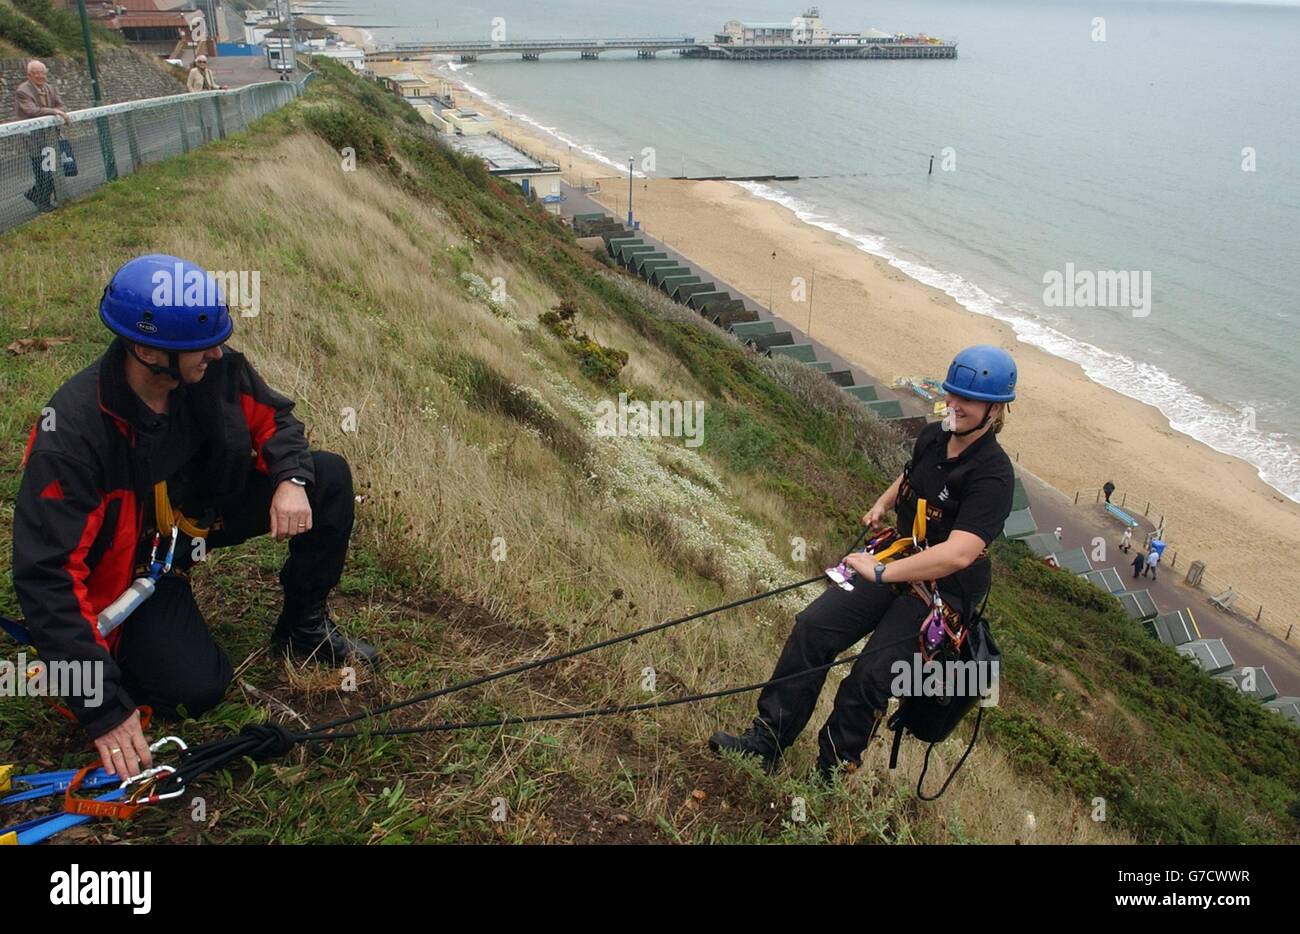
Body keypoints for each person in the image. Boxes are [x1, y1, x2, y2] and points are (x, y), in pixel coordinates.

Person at [12, 254, 379, 782]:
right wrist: (103, 707)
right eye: (201, 346)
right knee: (197, 688)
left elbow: (275, 420)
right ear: (146, 351)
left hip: (196, 523)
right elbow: (46, 577)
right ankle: (149, 620)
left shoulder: (215, 371)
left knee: (328, 477)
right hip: (130, 569)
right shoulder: (72, 437)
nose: (216, 352)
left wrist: (290, 480)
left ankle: (303, 628)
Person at [709, 345, 1017, 781]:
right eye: (952, 395)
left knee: (871, 677)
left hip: (942, 592)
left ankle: (828, 777)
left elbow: (960, 553)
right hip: (900, 556)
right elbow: (911, 476)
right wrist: (883, 502)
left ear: (996, 409)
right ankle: (766, 742)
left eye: (968, 400)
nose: (955, 405)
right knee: (812, 629)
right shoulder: (934, 435)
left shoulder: (994, 475)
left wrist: (883, 572)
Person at [13, 60, 70, 213]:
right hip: (33, 139)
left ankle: (34, 194)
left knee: (52, 168)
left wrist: (58, 110)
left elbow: (62, 105)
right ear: (29, 75)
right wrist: (54, 111)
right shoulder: (23, 91)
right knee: (42, 170)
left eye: (42, 72)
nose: (40, 76)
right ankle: (43, 202)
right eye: (36, 73)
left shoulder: (49, 88)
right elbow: (32, 111)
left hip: (50, 136)